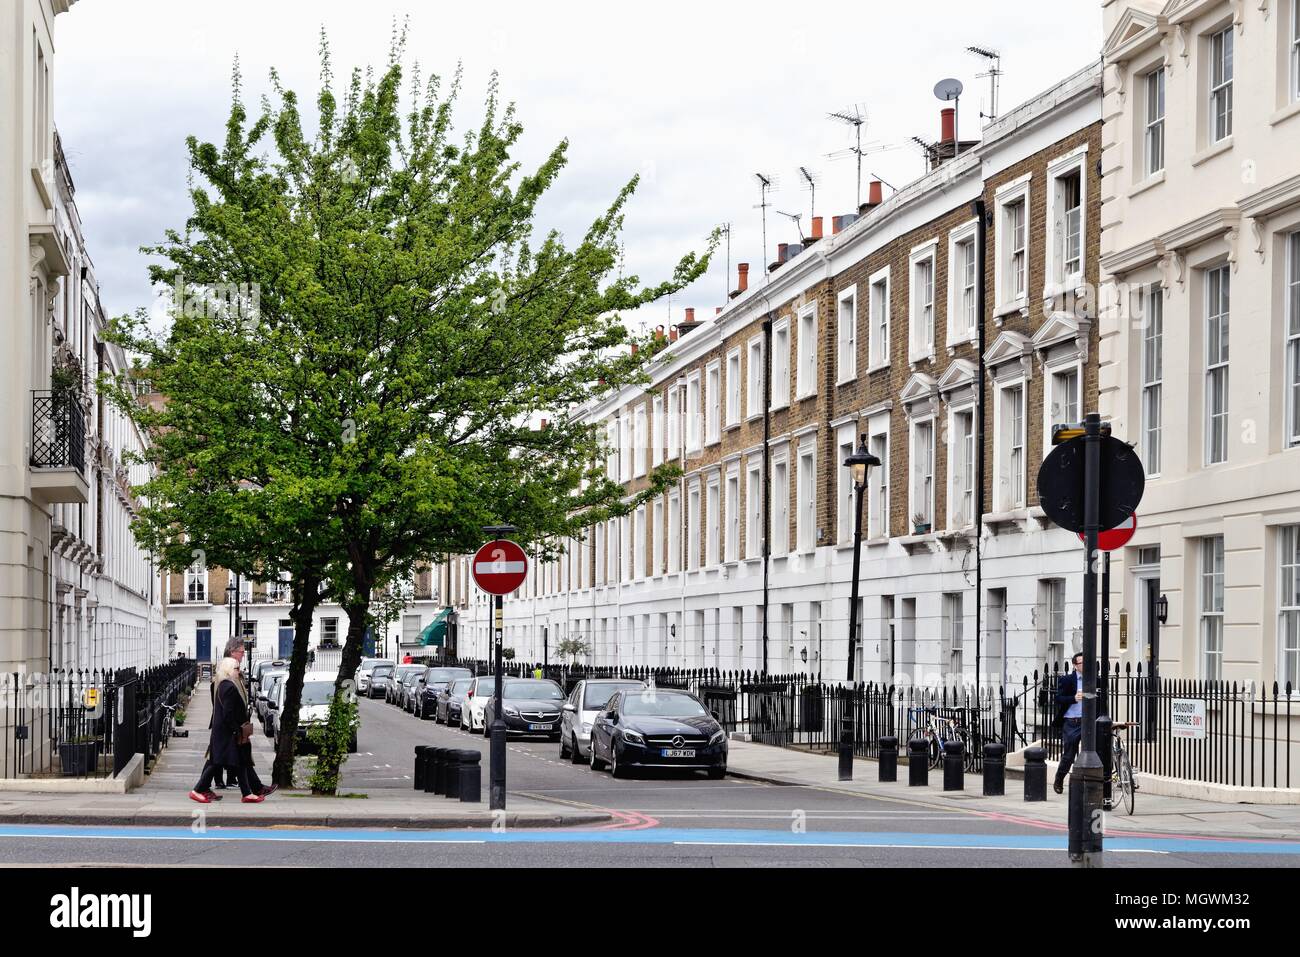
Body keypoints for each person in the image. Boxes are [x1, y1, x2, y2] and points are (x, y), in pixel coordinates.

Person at [189, 637, 275, 803]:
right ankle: (199, 789)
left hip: (229, 729)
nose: (239, 668)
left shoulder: (230, 681)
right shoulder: (226, 684)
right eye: (241, 654)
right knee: (217, 760)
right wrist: (236, 729)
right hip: (226, 730)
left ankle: (249, 792)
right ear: (229, 667)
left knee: (238, 758)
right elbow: (226, 710)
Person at [1054, 652, 1086, 794]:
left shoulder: (1094, 680)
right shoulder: (1067, 680)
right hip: (1071, 722)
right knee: (1069, 755)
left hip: (1088, 722)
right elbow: (1058, 698)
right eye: (1081, 663)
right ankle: (1059, 778)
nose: (1084, 666)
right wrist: (1073, 698)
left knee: (1096, 752)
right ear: (1075, 665)